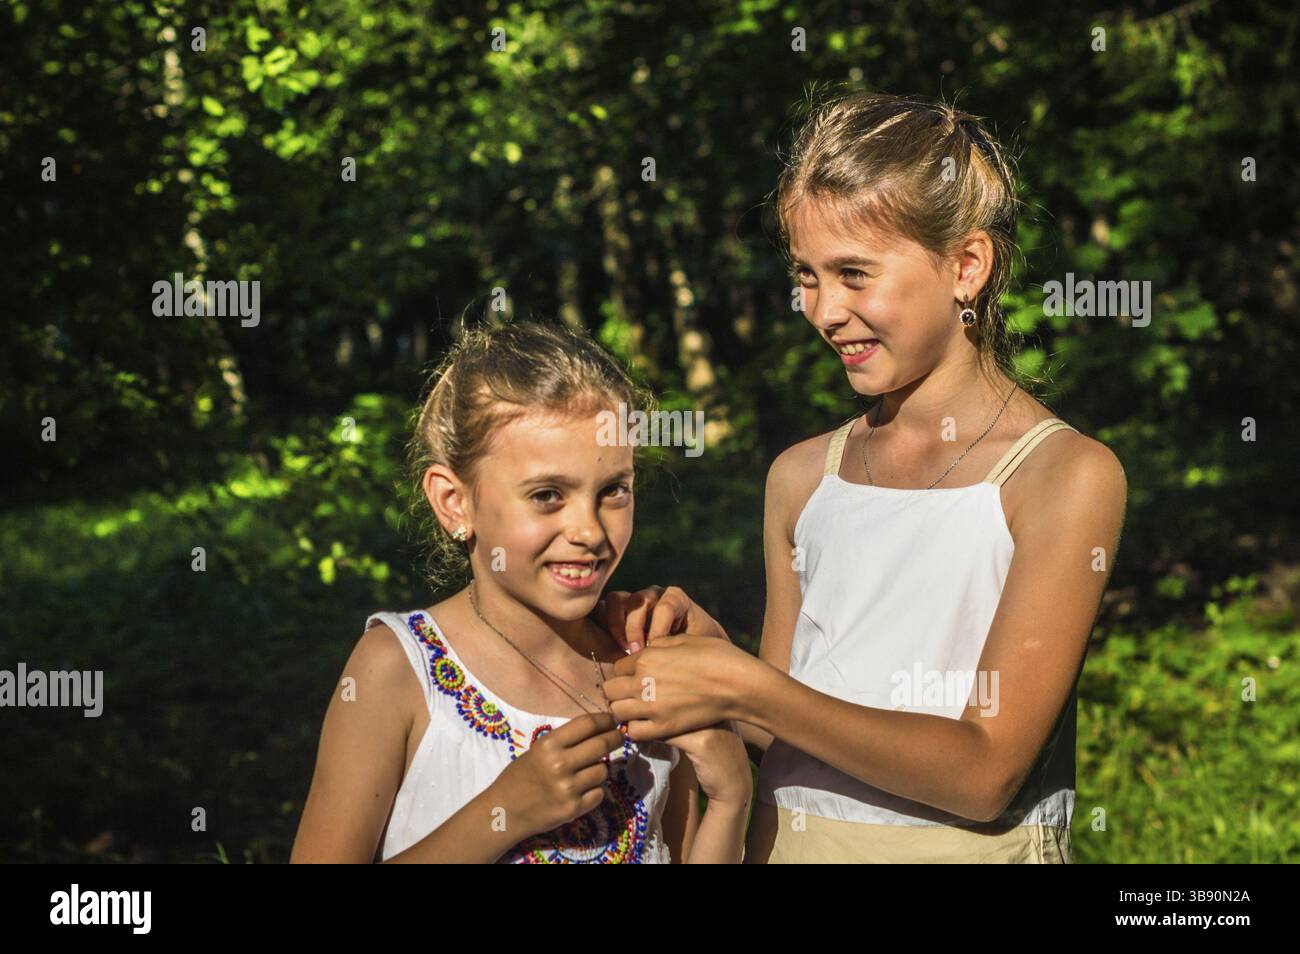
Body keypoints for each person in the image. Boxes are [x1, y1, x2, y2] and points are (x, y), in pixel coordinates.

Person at [598, 91, 1129, 863]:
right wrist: (712, 661)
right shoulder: (803, 477)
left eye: (854, 273)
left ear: (966, 267)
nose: (823, 311)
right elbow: (785, 734)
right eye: (807, 276)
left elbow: (986, 771)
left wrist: (747, 687)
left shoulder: (1062, 476)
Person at [291, 321, 751, 863]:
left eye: (613, 491)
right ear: (453, 502)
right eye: (547, 494)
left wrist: (731, 798)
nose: (589, 531)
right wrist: (503, 814)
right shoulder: (396, 670)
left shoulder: (649, 669)